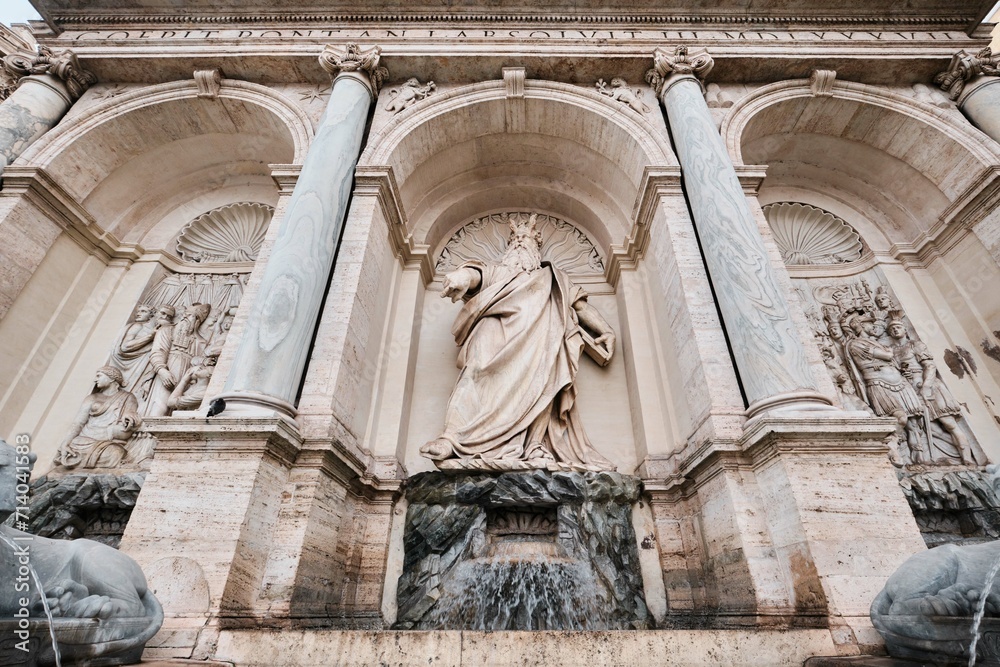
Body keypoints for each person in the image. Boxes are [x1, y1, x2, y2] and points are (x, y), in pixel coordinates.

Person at [420, 213, 616, 472]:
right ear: (510, 248)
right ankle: (454, 439)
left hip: (541, 342)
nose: (522, 244)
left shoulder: (554, 279)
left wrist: (605, 330)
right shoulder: (499, 272)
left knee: (545, 381)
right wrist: (460, 277)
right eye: (517, 241)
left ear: (537, 247)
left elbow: (579, 307)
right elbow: (475, 274)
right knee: (474, 373)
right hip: (493, 336)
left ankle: (534, 444)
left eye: (528, 240)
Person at [887, 317, 975, 465]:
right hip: (911, 390)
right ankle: (938, 457)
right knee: (928, 428)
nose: (895, 329)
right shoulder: (893, 351)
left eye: (898, 327)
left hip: (929, 387)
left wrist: (926, 387)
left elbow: (929, 366)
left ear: (904, 329)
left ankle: (966, 457)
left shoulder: (915, 345)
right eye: (892, 329)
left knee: (949, 423)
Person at [54, 366, 142, 470]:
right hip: (84, 439)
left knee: (115, 453)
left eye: (99, 376)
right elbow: (78, 423)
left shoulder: (128, 397)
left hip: (108, 440)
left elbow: (131, 413)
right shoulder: (92, 398)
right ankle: (74, 459)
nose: (95, 379)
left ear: (112, 378)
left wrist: (129, 418)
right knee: (73, 449)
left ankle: (79, 461)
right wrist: (66, 443)